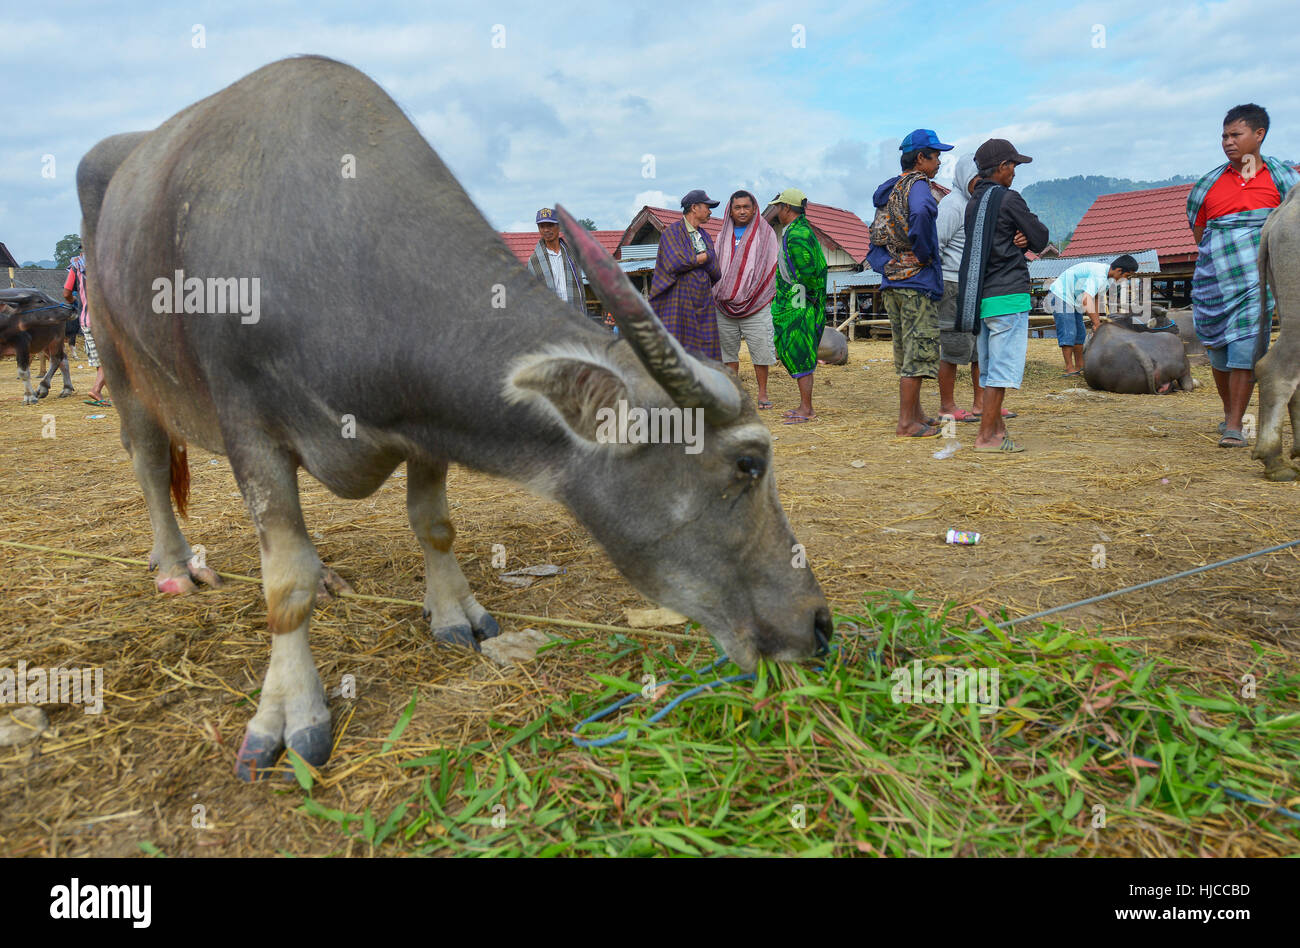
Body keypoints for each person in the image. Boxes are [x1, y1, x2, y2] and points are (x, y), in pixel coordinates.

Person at [1187, 103, 1298, 448]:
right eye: (1224, 135)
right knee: (1218, 353)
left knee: (1246, 351)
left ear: (1259, 135)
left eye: (1236, 134)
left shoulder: (1284, 181)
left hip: (1258, 281)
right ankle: (1230, 413)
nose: (1228, 142)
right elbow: (1201, 234)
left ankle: (1235, 424)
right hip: (1214, 281)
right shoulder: (1208, 184)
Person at [956, 138, 1050, 453]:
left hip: (981, 298)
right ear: (1001, 167)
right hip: (1008, 295)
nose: (1015, 173)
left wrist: (1017, 240)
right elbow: (1040, 238)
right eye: (1013, 166)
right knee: (1000, 370)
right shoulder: (1009, 199)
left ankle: (998, 429)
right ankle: (987, 437)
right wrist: (1023, 241)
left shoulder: (973, 204)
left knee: (988, 366)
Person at [868, 129, 953, 437]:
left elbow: (877, 233)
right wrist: (925, 253)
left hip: (892, 281)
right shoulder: (918, 186)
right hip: (917, 281)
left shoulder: (890, 190)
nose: (940, 161)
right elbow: (921, 213)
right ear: (921, 158)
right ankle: (906, 423)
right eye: (936, 155)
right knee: (919, 353)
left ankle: (917, 414)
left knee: (906, 352)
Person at [713, 190, 779, 409]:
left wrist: (752, 292)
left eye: (746, 207)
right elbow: (716, 268)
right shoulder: (722, 235)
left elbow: (769, 265)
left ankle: (763, 393)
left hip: (756, 302)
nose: (742, 211)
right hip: (724, 304)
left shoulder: (766, 233)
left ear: (754, 208)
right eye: (737, 207)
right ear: (730, 211)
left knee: (760, 350)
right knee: (727, 353)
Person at [767, 188, 828, 424]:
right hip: (798, 298)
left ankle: (807, 409)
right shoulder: (795, 230)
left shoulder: (798, 234)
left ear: (786, 208)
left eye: (778, 206)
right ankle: (804, 405)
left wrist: (801, 300)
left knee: (800, 350)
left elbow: (809, 273)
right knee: (796, 350)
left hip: (799, 301)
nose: (776, 210)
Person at [935, 153, 983, 422]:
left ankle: (980, 403)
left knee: (979, 347)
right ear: (965, 176)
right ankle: (947, 406)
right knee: (952, 347)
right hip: (951, 283)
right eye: (977, 178)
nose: (981, 182)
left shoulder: (978, 204)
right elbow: (936, 245)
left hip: (973, 285)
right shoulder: (953, 205)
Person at [649, 189, 722, 360]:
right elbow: (674, 263)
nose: (710, 211)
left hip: (703, 300)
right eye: (707, 207)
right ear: (694, 207)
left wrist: (701, 259)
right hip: (679, 299)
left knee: (706, 344)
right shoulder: (672, 233)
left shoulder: (704, 235)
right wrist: (704, 257)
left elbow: (715, 268)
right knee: (679, 343)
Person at [1043, 255, 1139, 376]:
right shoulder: (1098, 274)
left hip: (1075, 299)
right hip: (1061, 295)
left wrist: (1096, 322)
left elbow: (1096, 298)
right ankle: (1069, 368)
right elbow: (1086, 300)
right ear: (1119, 270)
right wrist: (1097, 324)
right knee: (1069, 331)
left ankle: (1079, 365)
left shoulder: (1109, 279)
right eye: (1127, 275)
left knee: (1080, 333)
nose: (1126, 279)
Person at [63, 248, 108, 407]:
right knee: (112, 358)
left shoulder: (75, 266)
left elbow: (66, 293)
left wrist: (73, 299)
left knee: (99, 358)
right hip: (104, 320)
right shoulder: (105, 263)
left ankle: (106, 394)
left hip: (85, 320)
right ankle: (96, 389)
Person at [526, 207, 588, 316]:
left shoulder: (572, 256)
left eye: (550, 225)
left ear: (559, 226)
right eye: (542, 226)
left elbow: (580, 290)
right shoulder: (534, 261)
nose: (546, 230)